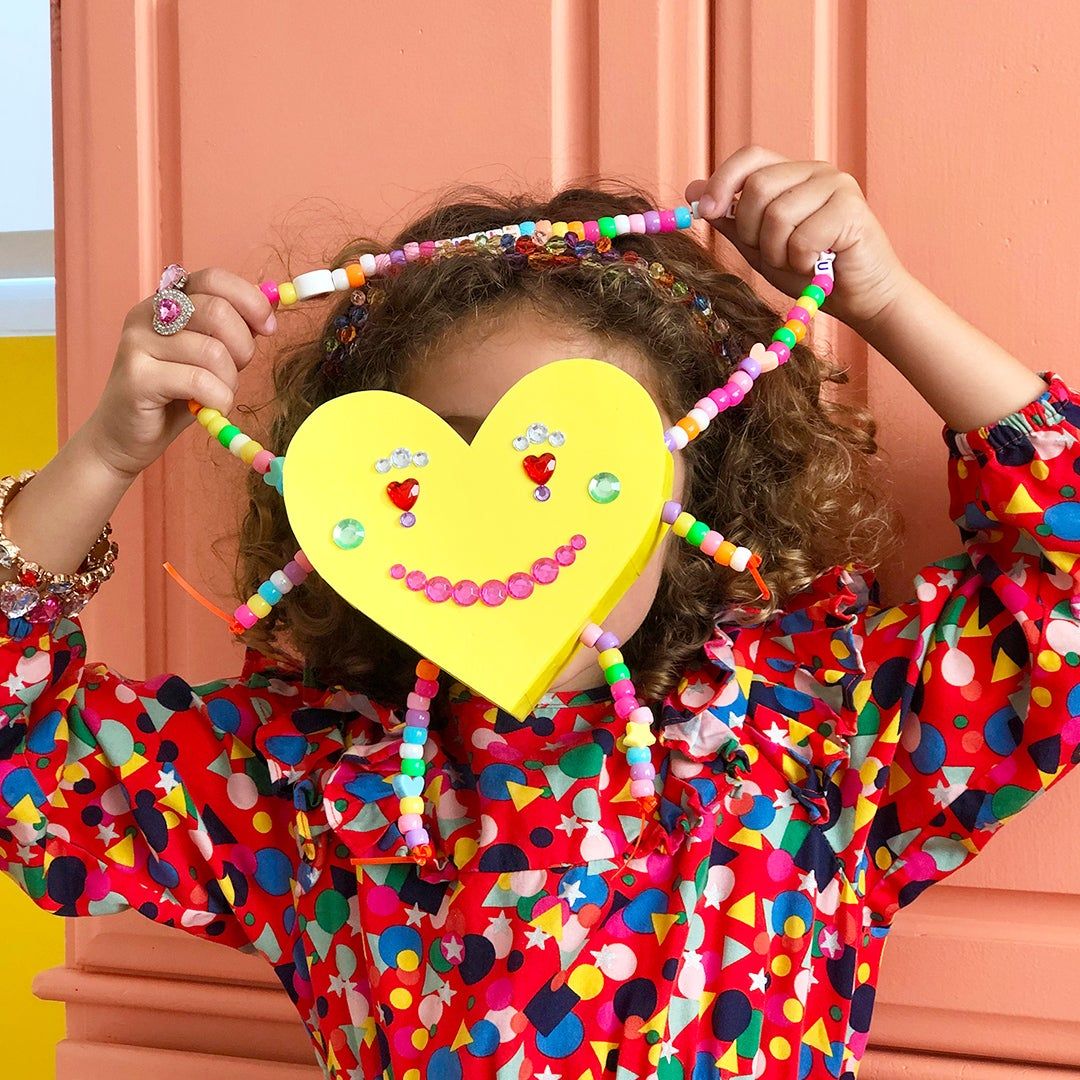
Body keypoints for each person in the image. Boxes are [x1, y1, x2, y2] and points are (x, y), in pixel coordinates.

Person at [2, 146, 1077, 1080]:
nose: (505, 530)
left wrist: (884, 298)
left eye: (581, 474)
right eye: (442, 469)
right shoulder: (304, 789)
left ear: (693, 490)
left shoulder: (820, 730)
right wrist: (103, 452)